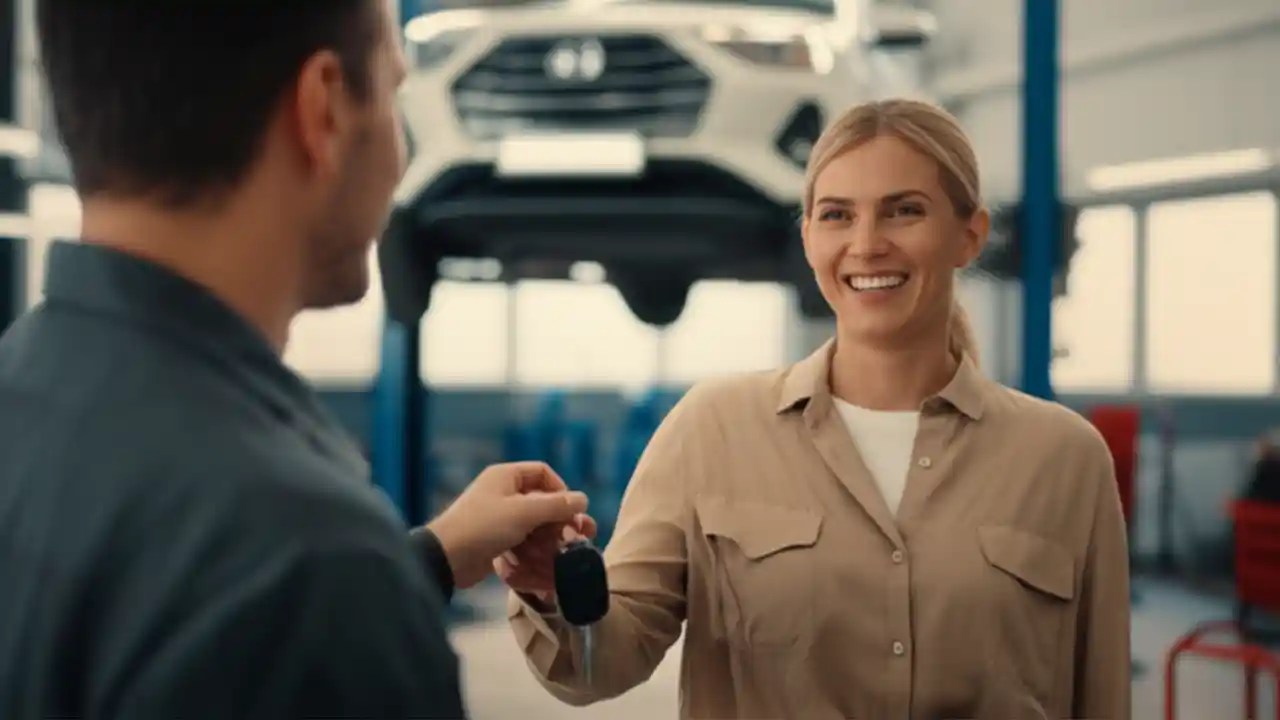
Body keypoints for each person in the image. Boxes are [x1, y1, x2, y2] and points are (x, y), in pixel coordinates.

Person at [0, 1, 595, 717]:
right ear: (324, 111)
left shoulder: (27, 401)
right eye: (395, 90)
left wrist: (429, 559)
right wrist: (368, 590)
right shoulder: (311, 564)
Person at [502, 99, 1131, 719]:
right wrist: (554, 593)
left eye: (904, 211)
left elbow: (1101, 695)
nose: (866, 244)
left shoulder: (1064, 459)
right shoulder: (713, 429)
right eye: (837, 215)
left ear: (969, 235)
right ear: (807, 239)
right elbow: (604, 661)